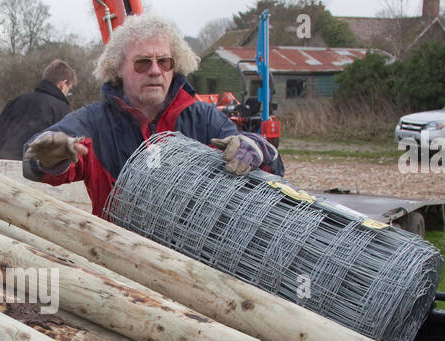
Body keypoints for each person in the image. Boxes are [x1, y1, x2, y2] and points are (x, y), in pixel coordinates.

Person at [22, 14, 282, 219]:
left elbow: (273, 172)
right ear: (118, 68)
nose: (155, 71)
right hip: (117, 265)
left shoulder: (203, 119)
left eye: (164, 62)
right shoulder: (94, 121)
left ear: (175, 65)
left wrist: (260, 150)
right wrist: (50, 158)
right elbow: (35, 162)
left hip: (194, 267)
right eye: (142, 62)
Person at [0, 60, 78, 160]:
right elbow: (64, 152)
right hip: (38, 171)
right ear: (63, 84)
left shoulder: (15, 101)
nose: (68, 94)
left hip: (3, 166)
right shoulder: (62, 110)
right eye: (69, 90)